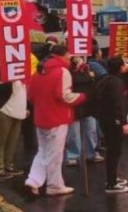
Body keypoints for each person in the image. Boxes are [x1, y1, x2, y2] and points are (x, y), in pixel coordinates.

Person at [25, 44, 87, 197]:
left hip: (41, 116)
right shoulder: (62, 71)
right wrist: (82, 96)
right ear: (64, 55)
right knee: (55, 154)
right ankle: (54, 185)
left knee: (43, 151)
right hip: (57, 117)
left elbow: (31, 95)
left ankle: (34, 181)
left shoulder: (40, 70)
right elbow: (64, 95)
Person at [94, 57, 128, 194]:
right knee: (114, 151)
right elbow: (119, 104)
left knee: (113, 150)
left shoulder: (106, 79)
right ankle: (111, 183)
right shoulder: (116, 83)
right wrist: (123, 122)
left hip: (105, 119)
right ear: (121, 67)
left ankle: (113, 178)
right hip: (113, 121)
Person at [0, 68, 27, 179]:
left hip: (18, 111)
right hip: (5, 111)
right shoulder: (1, 73)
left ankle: (8, 165)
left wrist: (24, 108)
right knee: (1, 140)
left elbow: (21, 93)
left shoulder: (22, 73)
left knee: (13, 140)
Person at [64, 56, 102, 167]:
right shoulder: (68, 72)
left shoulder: (88, 70)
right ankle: (73, 155)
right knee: (74, 134)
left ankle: (91, 153)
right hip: (75, 105)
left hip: (88, 105)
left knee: (91, 131)